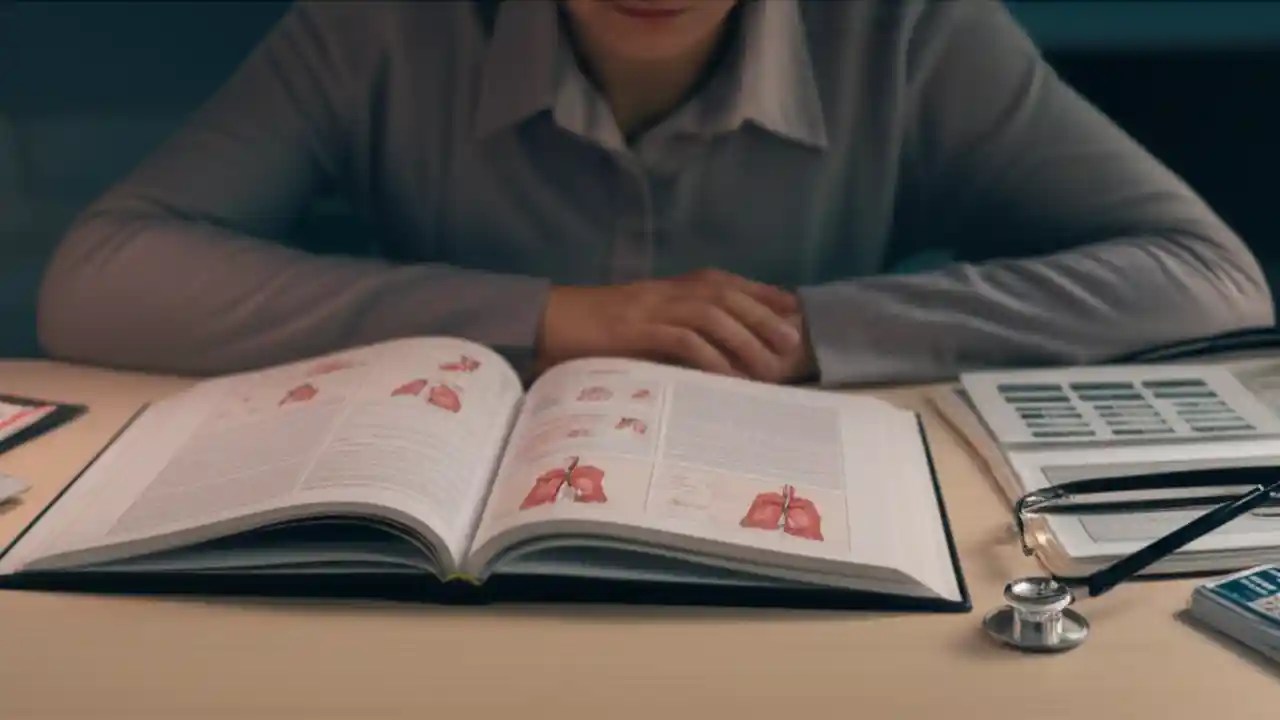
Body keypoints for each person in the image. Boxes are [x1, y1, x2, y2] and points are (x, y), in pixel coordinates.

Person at [37, 0, 1274, 387]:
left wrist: (817, 333)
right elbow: (97, 284)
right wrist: (545, 317)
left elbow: (1206, 277)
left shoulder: (908, 27)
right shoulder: (383, 23)